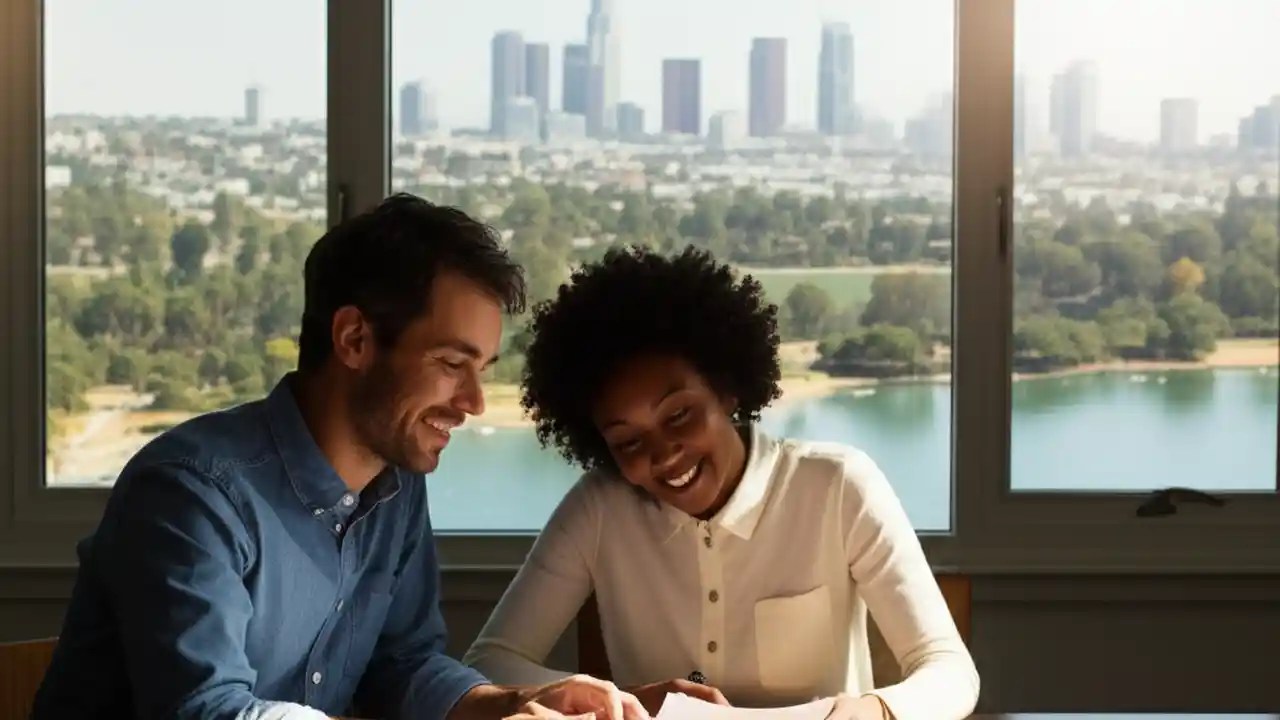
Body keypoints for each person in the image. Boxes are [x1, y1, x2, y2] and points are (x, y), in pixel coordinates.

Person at [33, 195, 647, 720]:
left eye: (481, 370)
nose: (474, 402)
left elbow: (399, 664)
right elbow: (211, 713)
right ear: (354, 339)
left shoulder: (396, 481)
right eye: (451, 364)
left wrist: (510, 705)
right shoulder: (191, 493)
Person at [463, 246, 979, 720]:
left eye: (680, 414)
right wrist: (615, 697)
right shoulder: (599, 508)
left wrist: (871, 712)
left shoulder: (838, 486)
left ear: (728, 389)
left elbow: (951, 669)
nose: (664, 454)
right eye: (629, 442)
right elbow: (490, 660)